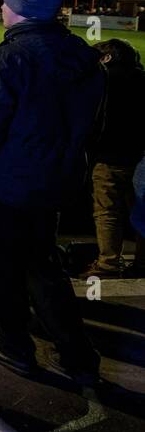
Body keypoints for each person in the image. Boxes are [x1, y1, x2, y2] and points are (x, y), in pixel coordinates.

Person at [0, 0, 104, 385]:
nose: (0, 8)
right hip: (54, 182)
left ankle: (15, 346)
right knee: (43, 265)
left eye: (5, 1)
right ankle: (78, 355)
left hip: (1, 186)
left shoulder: (5, 60)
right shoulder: (84, 57)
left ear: (19, 8)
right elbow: (94, 127)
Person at [84, 39, 145, 277]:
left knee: (107, 211)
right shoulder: (141, 79)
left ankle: (109, 263)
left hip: (110, 157)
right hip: (140, 157)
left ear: (108, 58)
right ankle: (142, 263)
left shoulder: (102, 81)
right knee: (140, 211)